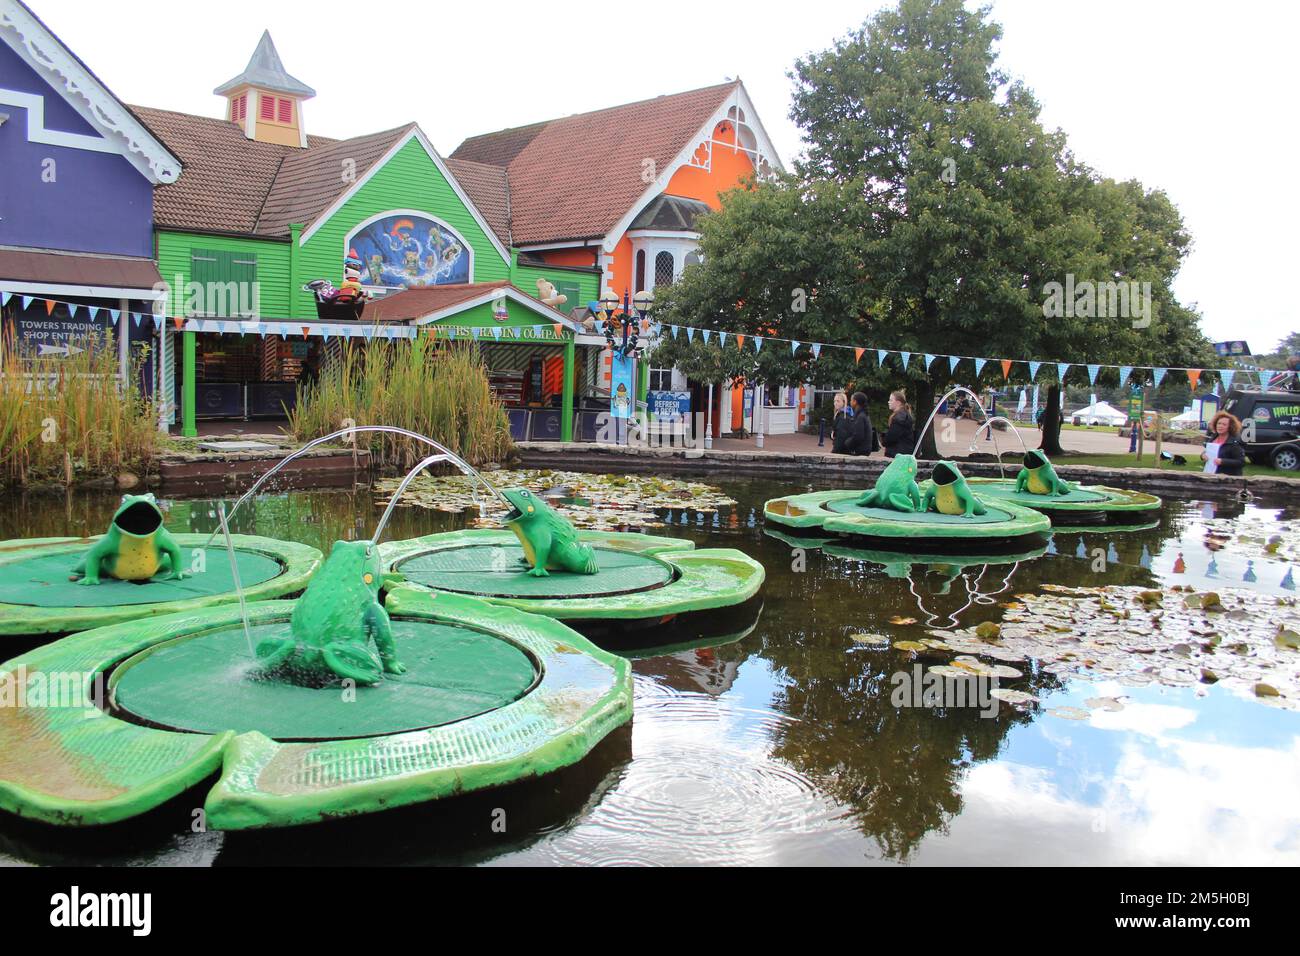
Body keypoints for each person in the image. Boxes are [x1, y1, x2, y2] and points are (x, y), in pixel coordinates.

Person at [1201, 411, 1246, 476]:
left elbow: (1241, 462)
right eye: (1219, 423)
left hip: (1228, 479)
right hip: (1210, 474)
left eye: (1224, 424)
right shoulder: (1213, 438)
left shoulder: (1235, 442)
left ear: (1230, 427)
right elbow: (1207, 452)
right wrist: (1202, 455)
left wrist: (1222, 461)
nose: (1220, 426)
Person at [882, 390, 915, 458]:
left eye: (891, 400)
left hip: (897, 454)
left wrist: (883, 439)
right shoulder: (903, 415)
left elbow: (891, 438)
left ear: (898, 403)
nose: (888, 402)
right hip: (902, 452)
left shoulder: (899, 418)